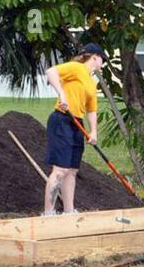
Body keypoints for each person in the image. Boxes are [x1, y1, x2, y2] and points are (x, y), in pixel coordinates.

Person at [42, 44, 104, 217]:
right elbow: (50, 72)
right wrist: (61, 93)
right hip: (61, 119)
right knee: (60, 169)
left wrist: (93, 132)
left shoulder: (92, 83)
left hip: (77, 123)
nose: (102, 64)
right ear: (95, 57)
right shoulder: (77, 68)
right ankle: (48, 213)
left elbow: (91, 110)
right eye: (102, 60)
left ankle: (69, 211)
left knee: (72, 170)